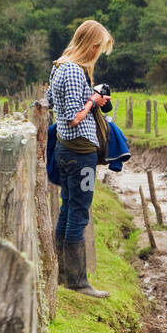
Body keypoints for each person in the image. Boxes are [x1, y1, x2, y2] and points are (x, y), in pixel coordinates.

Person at [46, 18, 115, 298]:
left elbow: (50, 99)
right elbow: (75, 118)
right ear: (93, 45)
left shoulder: (60, 66)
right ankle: (76, 280)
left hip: (65, 150)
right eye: (99, 49)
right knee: (79, 211)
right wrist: (93, 102)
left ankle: (63, 274)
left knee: (67, 207)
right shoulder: (75, 71)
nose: (98, 54)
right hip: (80, 152)